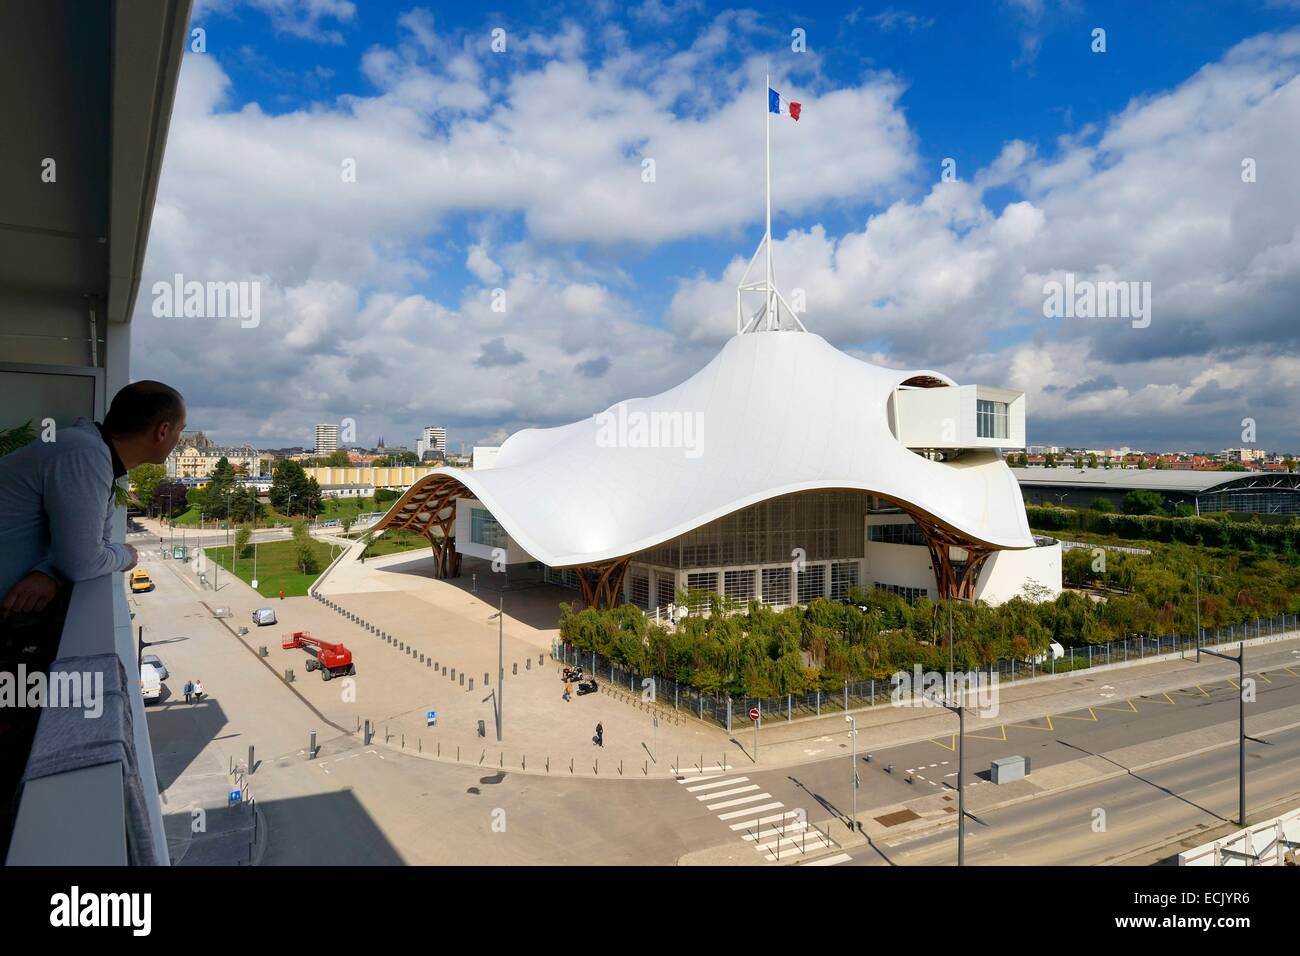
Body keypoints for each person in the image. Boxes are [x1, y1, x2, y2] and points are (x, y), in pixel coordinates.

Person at [0, 381, 186, 618]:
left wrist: (50, 572)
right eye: (181, 430)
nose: (178, 439)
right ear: (162, 431)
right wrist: (127, 555)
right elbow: (83, 564)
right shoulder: (86, 456)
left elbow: (94, 546)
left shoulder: (92, 452)